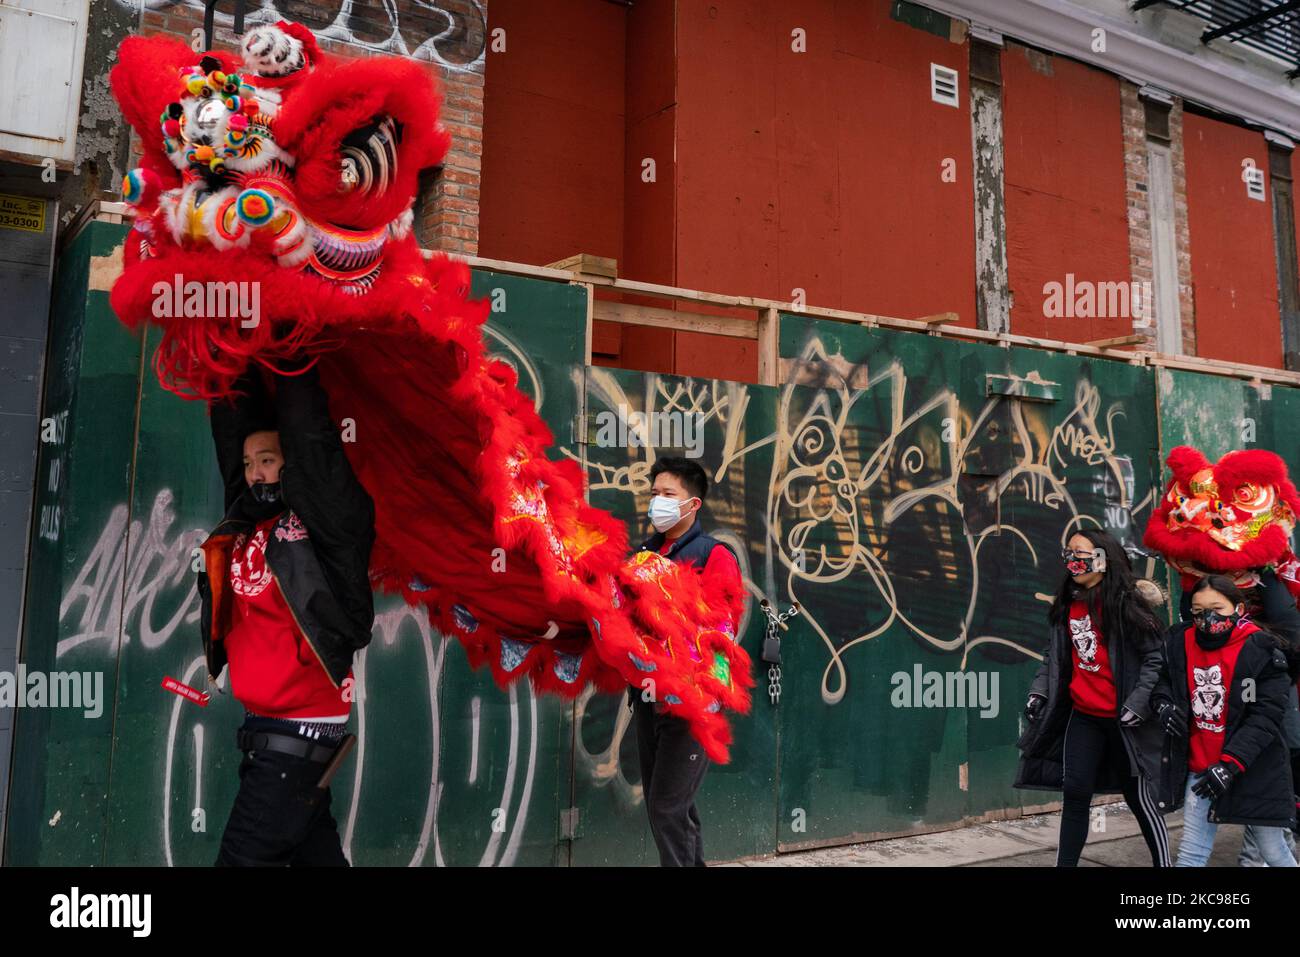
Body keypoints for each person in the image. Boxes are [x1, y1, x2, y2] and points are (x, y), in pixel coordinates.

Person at [198, 360, 376, 866]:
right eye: (249, 462)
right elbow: (233, 422)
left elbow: (309, 437)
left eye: (269, 460)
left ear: (292, 461)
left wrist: (292, 350)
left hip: (293, 744)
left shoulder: (325, 526)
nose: (255, 472)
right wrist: (224, 346)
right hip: (271, 743)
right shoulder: (247, 523)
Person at [1015, 528, 1171, 866]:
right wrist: (1039, 691)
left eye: (1081, 554)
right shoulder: (1068, 603)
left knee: (1138, 798)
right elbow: (1053, 655)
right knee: (1075, 795)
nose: (1072, 560)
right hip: (1083, 716)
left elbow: (1155, 658)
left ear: (1103, 559)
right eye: (1068, 552)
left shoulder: (1123, 605)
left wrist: (1138, 703)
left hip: (1123, 721)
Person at [630, 456, 744, 866]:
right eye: (654, 493)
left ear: (692, 504)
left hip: (691, 707)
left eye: (667, 494)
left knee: (667, 809)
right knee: (674, 809)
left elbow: (724, 634)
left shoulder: (714, 556)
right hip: (646, 700)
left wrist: (707, 700)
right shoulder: (641, 554)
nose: (657, 501)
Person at [1151, 575, 1297, 866]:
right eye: (1198, 610)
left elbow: (1264, 717)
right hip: (1201, 766)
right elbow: (1163, 680)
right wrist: (1163, 704)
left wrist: (1230, 764)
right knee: (1192, 852)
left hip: (1253, 768)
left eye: (1217, 608)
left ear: (1239, 609)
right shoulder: (1179, 641)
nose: (1208, 617)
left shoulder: (1261, 650)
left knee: (1273, 851)